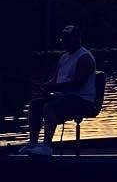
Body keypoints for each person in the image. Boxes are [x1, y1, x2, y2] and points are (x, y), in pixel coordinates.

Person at [26, 25, 97, 154]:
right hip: (64, 97)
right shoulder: (64, 57)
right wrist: (45, 86)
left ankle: (46, 147)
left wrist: (54, 88)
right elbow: (55, 80)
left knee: (49, 107)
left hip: (83, 100)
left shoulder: (84, 58)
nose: (64, 42)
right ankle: (32, 144)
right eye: (63, 39)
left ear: (77, 39)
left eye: (67, 39)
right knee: (35, 105)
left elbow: (78, 84)